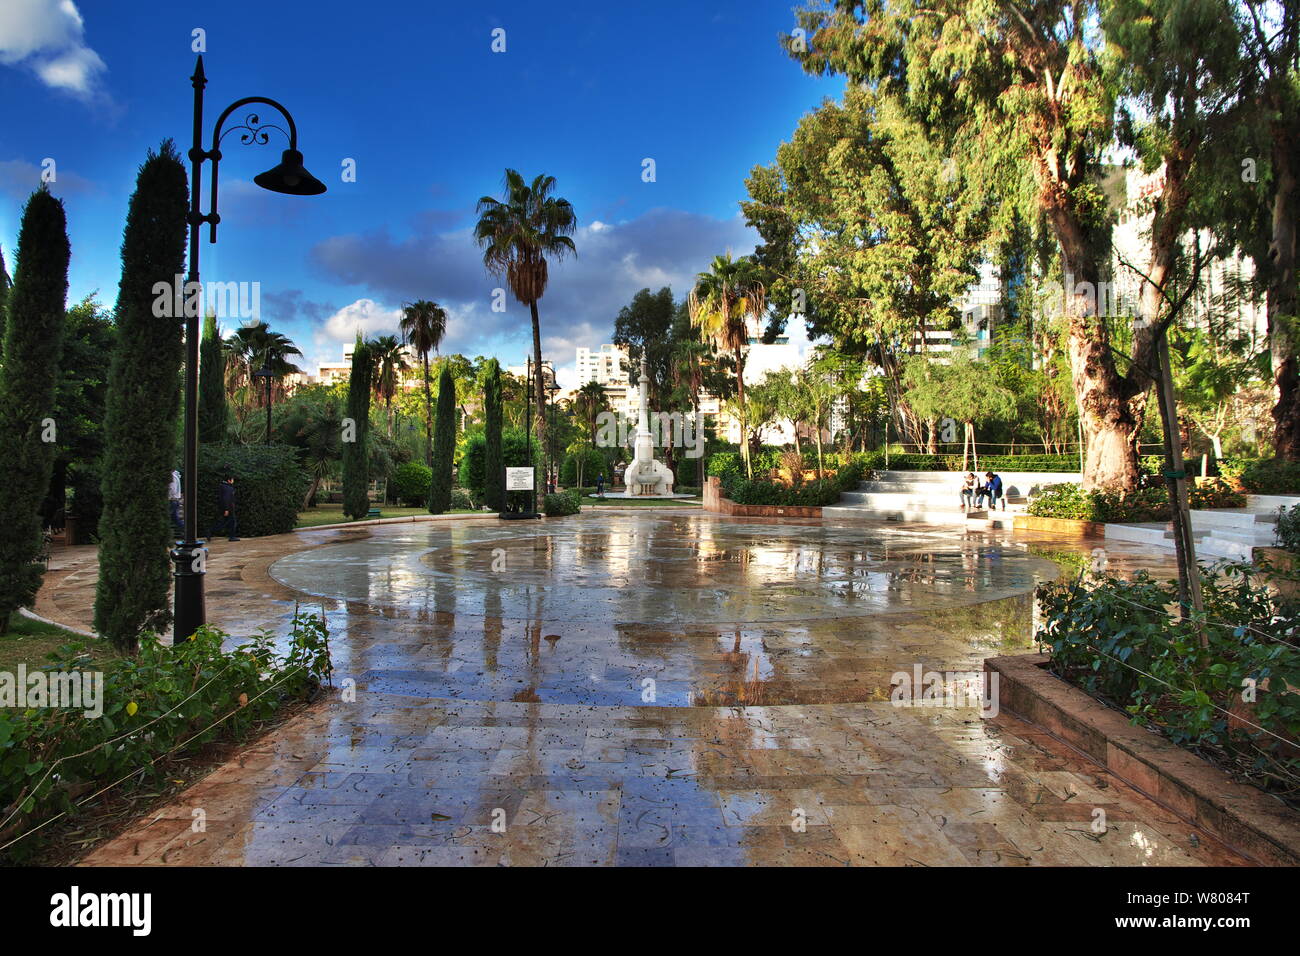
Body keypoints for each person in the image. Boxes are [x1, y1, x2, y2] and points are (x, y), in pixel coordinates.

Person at [208, 475, 240, 541]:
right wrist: (227, 509)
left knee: (224, 522)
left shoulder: (222, 486)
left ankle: (211, 531)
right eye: (232, 479)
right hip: (229, 508)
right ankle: (232, 537)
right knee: (231, 522)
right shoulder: (228, 488)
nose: (233, 481)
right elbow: (226, 499)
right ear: (229, 480)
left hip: (224, 507)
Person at [168, 469, 184, 536]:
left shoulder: (172, 476)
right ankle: (187, 530)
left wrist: (168, 495)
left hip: (171, 500)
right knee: (175, 519)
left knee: (168, 519)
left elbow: (172, 489)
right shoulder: (175, 475)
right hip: (174, 500)